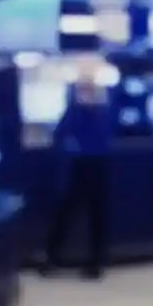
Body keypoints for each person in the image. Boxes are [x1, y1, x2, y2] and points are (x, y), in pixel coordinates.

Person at [43, 70, 113, 279]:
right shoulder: (105, 110)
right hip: (101, 165)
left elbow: (60, 133)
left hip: (80, 165)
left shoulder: (76, 110)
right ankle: (96, 263)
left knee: (67, 213)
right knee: (97, 216)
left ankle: (53, 259)